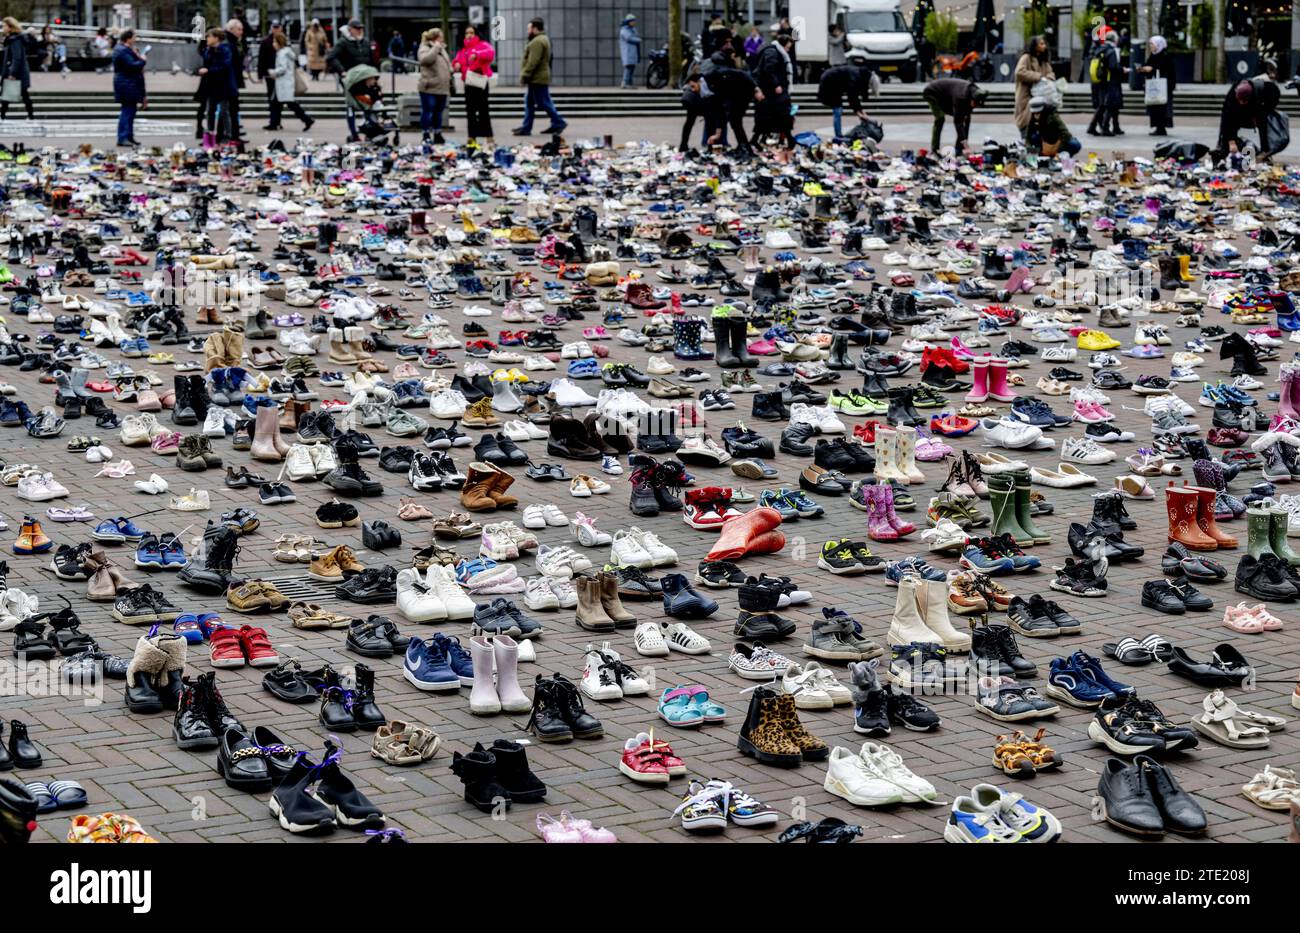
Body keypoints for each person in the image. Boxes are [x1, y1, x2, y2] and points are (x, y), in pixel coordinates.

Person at [512, 18, 567, 137]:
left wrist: (524, 76)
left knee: (542, 102)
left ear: (535, 28)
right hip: (539, 77)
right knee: (532, 102)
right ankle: (527, 127)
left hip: (537, 78)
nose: (528, 31)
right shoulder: (543, 38)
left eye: (529, 28)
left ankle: (559, 122)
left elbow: (533, 62)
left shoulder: (537, 41)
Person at [1213, 75, 1283, 163]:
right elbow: (1227, 119)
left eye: (1244, 100)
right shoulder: (1232, 98)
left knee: (1263, 122)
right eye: (1240, 100)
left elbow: (1275, 95)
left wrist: (1263, 112)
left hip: (1257, 109)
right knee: (1230, 123)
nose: (1242, 102)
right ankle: (1223, 149)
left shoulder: (1265, 89)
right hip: (1238, 112)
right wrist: (1231, 141)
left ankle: (1265, 152)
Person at [699, 55, 759, 155]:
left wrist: (756, 89)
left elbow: (742, 74)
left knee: (735, 121)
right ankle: (745, 147)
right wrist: (718, 134)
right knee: (735, 122)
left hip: (740, 95)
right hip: (736, 96)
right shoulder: (712, 90)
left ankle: (745, 147)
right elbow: (719, 113)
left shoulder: (715, 75)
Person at [328, 18, 371, 142]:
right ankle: (354, 134)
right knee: (351, 105)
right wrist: (342, 71)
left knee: (368, 104)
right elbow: (332, 57)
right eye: (356, 28)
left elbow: (370, 58)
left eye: (360, 28)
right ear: (350, 29)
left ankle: (368, 132)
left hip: (365, 78)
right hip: (350, 79)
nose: (359, 30)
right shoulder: (343, 42)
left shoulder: (365, 42)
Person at [452, 25, 495, 149]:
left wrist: (477, 54)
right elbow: (456, 60)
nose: (469, 35)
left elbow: (490, 53)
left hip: (480, 82)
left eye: (471, 32)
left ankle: (489, 137)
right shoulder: (463, 49)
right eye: (467, 33)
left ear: (476, 34)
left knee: (483, 111)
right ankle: (472, 138)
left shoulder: (483, 44)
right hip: (469, 83)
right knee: (470, 112)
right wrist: (457, 64)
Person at [922, 76, 986, 154]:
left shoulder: (976, 92)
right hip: (932, 92)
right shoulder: (960, 97)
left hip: (947, 95)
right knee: (940, 118)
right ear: (972, 99)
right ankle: (934, 148)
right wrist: (966, 145)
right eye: (974, 104)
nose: (974, 107)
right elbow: (957, 122)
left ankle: (958, 148)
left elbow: (966, 120)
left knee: (966, 118)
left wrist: (964, 144)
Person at [818, 48, 873, 139]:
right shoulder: (855, 77)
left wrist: (860, 111)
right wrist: (859, 113)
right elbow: (852, 96)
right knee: (837, 110)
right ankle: (838, 135)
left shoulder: (857, 74)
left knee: (838, 109)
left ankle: (838, 134)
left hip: (832, 84)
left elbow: (853, 97)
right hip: (830, 85)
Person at [195, 27, 236, 145]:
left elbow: (224, 66)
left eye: (209, 36)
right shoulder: (209, 50)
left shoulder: (225, 49)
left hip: (223, 85)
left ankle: (227, 136)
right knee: (210, 110)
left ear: (216, 38)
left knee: (224, 111)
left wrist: (208, 70)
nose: (207, 38)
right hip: (211, 85)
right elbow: (204, 56)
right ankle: (210, 135)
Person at [753, 30, 795, 146]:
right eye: (787, 47)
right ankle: (789, 140)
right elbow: (769, 69)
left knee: (768, 116)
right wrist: (776, 84)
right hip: (773, 92)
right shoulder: (773, 52)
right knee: (782, 115)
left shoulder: (772, 51)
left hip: (770, 92)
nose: (788, 50)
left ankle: (757, 139)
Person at [268, 30, 313, 132]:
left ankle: (307, 119)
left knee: (290, 104)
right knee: (277, 103)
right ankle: (274, 123)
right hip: (285, 83)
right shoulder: (287, 52)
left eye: (275, 42)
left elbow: (282, 68)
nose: (273, 44)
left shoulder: (282, 54)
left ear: (279, 43)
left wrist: (273, 72)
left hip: (283, 83)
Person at [112, 28, 146, 147]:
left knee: (130, 111)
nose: (135, 39)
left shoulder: (124, 49)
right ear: (128, 38)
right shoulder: (122, 50)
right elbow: (131, 66)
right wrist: (143, 60)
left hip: (128, 83)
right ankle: (123, 137)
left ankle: (129, 136)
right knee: (127, 111)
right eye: (134, 37)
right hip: (126, 84)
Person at [1087, 29, 1124, 136]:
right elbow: (1113, 67)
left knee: (1102, 105)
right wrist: (1122, 69)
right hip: (1109, 81)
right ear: (1115, 40)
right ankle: (1104, 128)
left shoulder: (1099, 49)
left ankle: (1094, 127)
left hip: (1099, 81)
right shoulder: (1111, 51)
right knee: (1108, 105)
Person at [1014, 35, 1053, 137]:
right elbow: (1019, 72)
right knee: (1026, 126)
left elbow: (1051, 74)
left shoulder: (1044, 62)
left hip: (1041, 99)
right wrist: (1038, 77)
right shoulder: (1026, 58)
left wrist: (1047, 78)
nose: (1044, 46)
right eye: (1041, 44)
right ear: (1035, 46)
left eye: (1044, 43)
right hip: (1026, 98)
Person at [417, 28, 452, 143]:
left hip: (442, 87)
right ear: (435, 38)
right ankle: (425, 134)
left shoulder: (442, 49)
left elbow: (446, 63)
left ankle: (437, 133)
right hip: (429, 87)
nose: (443, 39)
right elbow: (425, 60)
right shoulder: (425, 48)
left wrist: (451, 69)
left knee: (438, 112)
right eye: (441, 37)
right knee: (427, 111)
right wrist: (436, 48)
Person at [1140, 35, 1175, 136]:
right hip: (1155, 87)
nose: (1150, 46)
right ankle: (1158, 127)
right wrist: (1142, 70)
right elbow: (1149, 66)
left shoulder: (1165, 56)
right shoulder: (1153, 55)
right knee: (1155, 107)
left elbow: (1167, 71)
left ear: (1158, 45)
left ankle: (1161, 128)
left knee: (1162, 107)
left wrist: (1152, 69)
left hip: (1164, 87)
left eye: (1152, 44)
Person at [0, 18, 33, 121]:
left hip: (16, 73)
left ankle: (30, 116)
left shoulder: (15, 40)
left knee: (19, 95)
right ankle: (3, 116)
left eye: (4, 26)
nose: (2, 28)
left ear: (10, 27)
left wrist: (12, 72)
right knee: (11, 95)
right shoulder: (12, 39)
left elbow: (17, 57)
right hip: (16, 72)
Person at [223, 19, 247, 142]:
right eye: (239, 29)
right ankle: (232, 135)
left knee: (232, 108)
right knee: (230, 109)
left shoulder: (235, 42)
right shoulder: (229, 43)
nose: (241, 32)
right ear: (231, 29)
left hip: (233, 80)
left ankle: (234, 134)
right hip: (230, 81)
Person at [257, 20, 283, 125]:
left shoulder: (284, 40)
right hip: (270, 74)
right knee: (272, 98)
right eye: (274, 27)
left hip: (281, 74)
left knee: (280, 98)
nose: (276, 29)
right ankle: (273, 121)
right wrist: (260, 74)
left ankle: (277, 121)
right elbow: (261, 59)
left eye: (278, 27)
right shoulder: (266, 41)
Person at [619, 15, 641, 89]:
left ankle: (630, 83)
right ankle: (625, 83)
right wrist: (638, 40)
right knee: (628, 68)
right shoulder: (624, 30)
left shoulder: (632, 29)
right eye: (632, 21)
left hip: (632, 52)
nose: (634, 22)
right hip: (628, 52)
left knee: (631, 68)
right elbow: (629, 38)